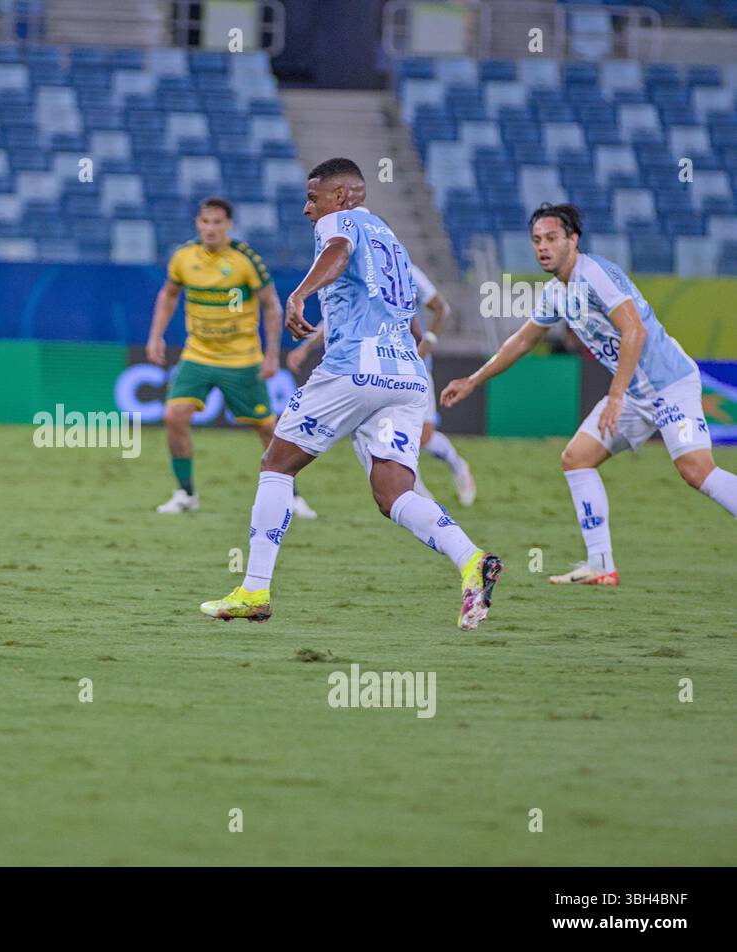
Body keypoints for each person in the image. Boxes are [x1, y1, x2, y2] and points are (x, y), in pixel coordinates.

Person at [201, 159, 502, 630]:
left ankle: (255, 589)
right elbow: (405, 310)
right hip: (407, 377)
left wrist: (298, 294)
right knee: (393, 493)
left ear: (341, 195)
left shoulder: (339, 223)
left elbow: (338, 249)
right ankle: (470, 560)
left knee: (277, 463)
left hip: (355, 368)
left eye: (312, 197)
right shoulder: (391, 240)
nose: (306, 209)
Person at [441, 202, 735, 585]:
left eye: (551, 238)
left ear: (572, 240)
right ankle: (601, 564)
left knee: (695, 471)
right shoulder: (555, 292)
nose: (542, 247)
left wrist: (614, 397)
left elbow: (635, 331)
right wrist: (474, 380)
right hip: (631, 393)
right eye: (536, 240)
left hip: (669, 383)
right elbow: (523, 340)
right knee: (576, 458)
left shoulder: (594, 274)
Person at [146, 197, 316, 519]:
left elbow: (271, 306)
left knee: (267, 429)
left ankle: (291, 496)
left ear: (229, 225)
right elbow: (168, 294)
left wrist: (271, 356)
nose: (210, 228)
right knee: (174, 417)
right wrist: (155, 336)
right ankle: (185, 493)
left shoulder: (245, 260)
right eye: (205, 222)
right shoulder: (183, 258)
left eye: (217, 222)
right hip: (197, 354)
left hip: (241, 359)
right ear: (198, 223)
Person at [286, 260, 476, 505]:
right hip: (370, 372)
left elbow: (440, 307)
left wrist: (428, 341)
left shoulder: (406, 269)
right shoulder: (353, 274)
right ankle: (423, 504)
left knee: (423, 438)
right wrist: (305, 348)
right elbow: (338, 320)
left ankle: (457, 465)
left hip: (409, 369)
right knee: (388, 442)